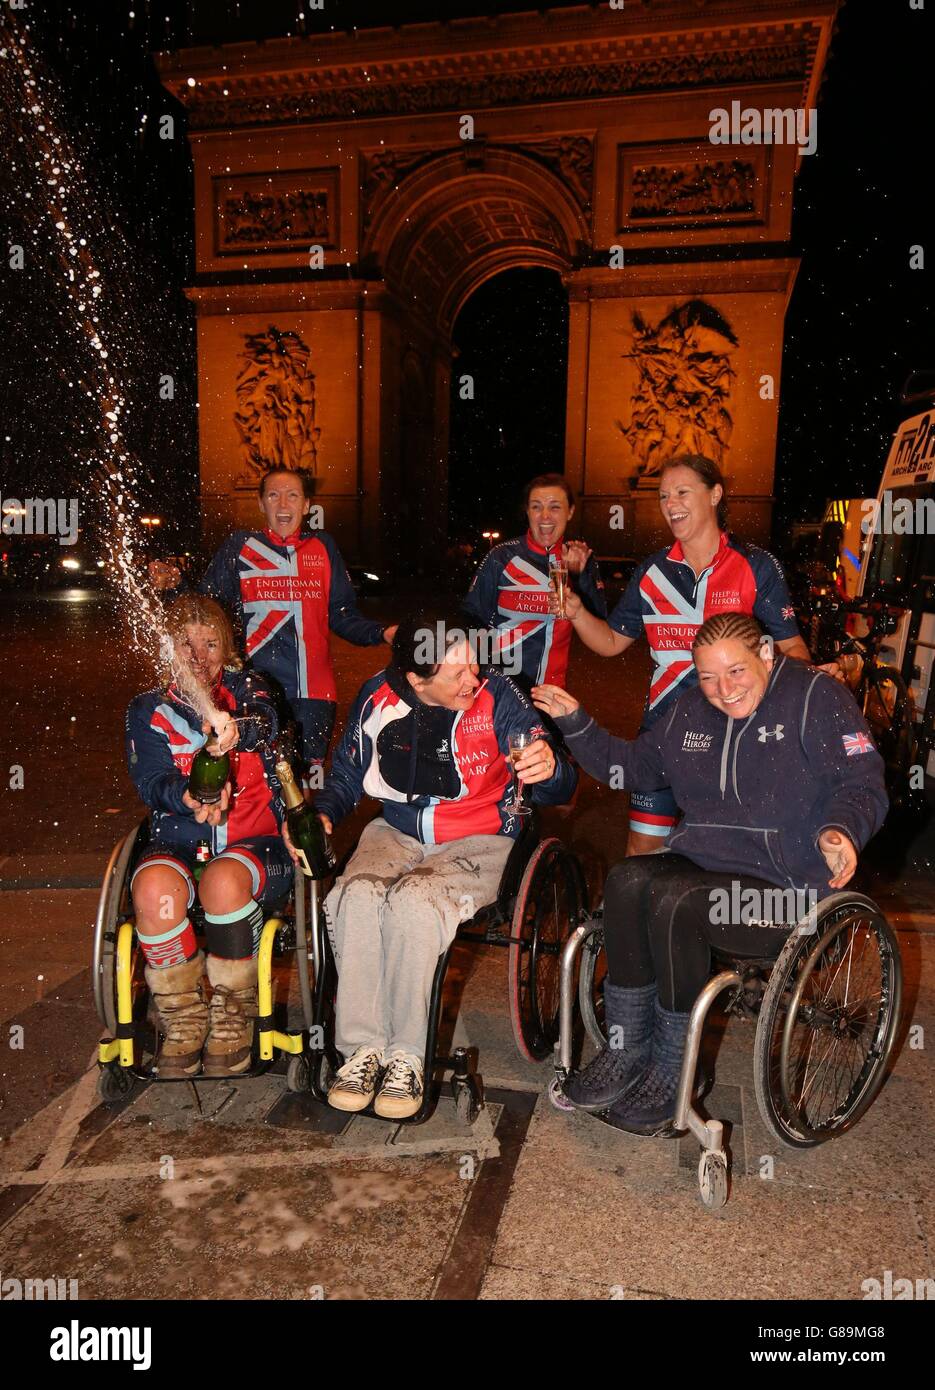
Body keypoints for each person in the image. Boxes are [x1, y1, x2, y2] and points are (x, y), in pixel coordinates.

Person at [532, 611, 887, 1134]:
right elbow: (631, 768)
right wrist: (577, 722)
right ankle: (628, 1049)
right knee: (629, 880)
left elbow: (862, 782)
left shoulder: (816, 698)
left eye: (737, 672)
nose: (722, 690)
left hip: (789, 891)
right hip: (705, 867)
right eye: (707, 676)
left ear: (766, 654)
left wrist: (841, 831)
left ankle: (678, 1067)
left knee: (681, 900)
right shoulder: (689, 711)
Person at [297, 618, 577, 1119]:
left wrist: (550, 766)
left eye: (473, 662)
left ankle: (407, 1054)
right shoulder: (378, 696)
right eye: (458, 673)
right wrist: (323, 812)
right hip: (398, 829)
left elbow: (559, 782)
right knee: (354, 895)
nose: (474, 676)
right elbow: (345, 774)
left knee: (414, 902)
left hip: (481, 835)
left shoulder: (498, 692)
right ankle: (362, 1050)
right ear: (416, 680)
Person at [552, 454, 824, 856]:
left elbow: (792, 647)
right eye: (663, 496)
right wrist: (576, 611)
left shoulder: (755, 566)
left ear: (715, 494)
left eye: (682, 492)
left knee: (724, 855)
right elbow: (611, 642)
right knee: (642, 853)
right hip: (662, 732)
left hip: (737, 736)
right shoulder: (652, 572)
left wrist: (800, 684)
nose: (670, 503)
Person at [126, 595, 293, 1078]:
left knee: (221, 882)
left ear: (228, 649)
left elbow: (267, 724)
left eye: (211, 643)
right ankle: (183, 1018)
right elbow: (151, 781)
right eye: (186, 644)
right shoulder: (147, 709)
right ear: (167, 649)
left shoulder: (252, 688)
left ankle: (233, 1015)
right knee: (153, 889)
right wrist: (190, 797)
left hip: (256, 845)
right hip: (179, 841)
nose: (199, 658)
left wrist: (233, 728)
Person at [149, 467, 397, 776]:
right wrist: (176, 586)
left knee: (306, 786)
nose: (283, 505)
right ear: (260, 503)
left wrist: (382, 633)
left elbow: (342, 615)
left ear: (306, 505)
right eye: (273, 495)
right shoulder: (239, 546)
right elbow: (206, 610)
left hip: (314, 695)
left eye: (293, 496)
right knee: (259, 780)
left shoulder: (324, 547)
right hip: (252, 691)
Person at [461, 473, 606, 691]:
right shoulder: (501, 556)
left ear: (570, 512)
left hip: (550, 692)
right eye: (536, 507)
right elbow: (471, 617)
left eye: (555, 507)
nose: (545, 516)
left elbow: (601, 627)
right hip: (499, 687)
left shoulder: (580, 559)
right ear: (527, 512)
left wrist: (578, 576)